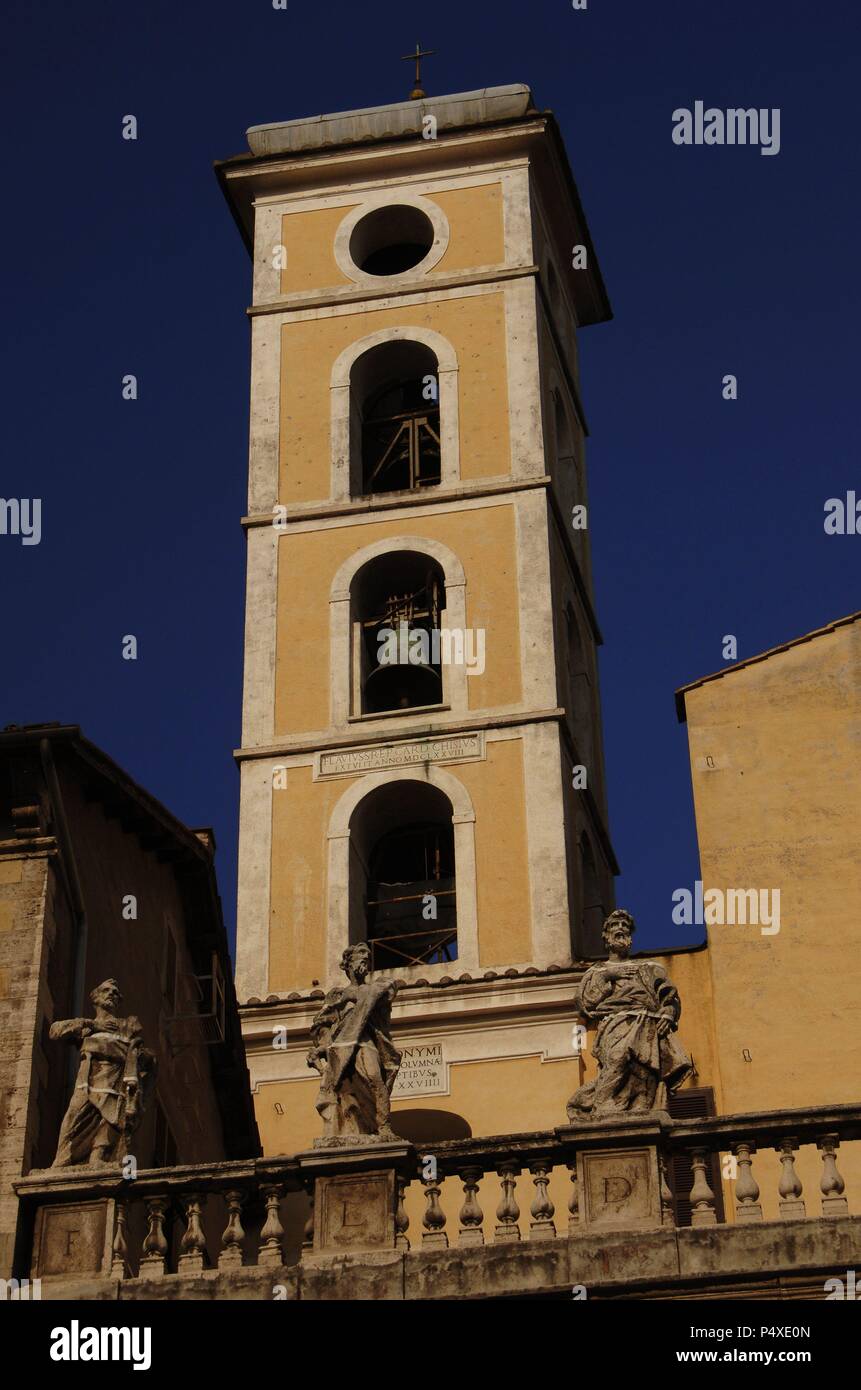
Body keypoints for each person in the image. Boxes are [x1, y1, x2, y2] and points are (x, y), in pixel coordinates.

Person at [567, 909, 691, 1118]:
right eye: (615, 926)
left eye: (625, 927)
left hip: (647, 1024)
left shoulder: (649, 967)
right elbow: (585, 1003)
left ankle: (641, 1114)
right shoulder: (596, 972)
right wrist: (608, 976)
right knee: (616, 1059)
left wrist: (668, 1013)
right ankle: (602, 1107)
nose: (621, 930)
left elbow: (669, 997)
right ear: (606, 937)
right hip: (615, 1024)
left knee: (644, 1072)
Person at [49, 979, 156, 1166]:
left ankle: (97, 1158)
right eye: (106, 990)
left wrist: (135, 1059)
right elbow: (55, 1031)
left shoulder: (127, 1025)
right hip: (86, 1083)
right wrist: (93, 1025)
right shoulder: (88, 1027)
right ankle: (60, 1162)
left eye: (115, 992)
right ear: (96, 998)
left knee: (111, 1122)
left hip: (115, 1084)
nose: (111, 994)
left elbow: (144, 1057)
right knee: (73, 1118)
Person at [308, 943, 401, 1140]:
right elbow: (321, 1025)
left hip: (366, 1043)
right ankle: (350, 1130)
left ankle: (383, 1127)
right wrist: (324, 1046)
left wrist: (355, 995)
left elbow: (388, 990)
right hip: (341, 1050)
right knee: (345, 1091)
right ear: (348, 964)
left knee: (376, 1079)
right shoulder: (336, 996)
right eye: (360, 956)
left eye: (367, 957)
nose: (365, 959)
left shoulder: (377, 988)